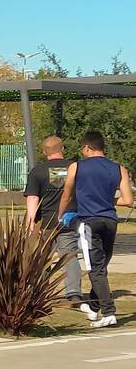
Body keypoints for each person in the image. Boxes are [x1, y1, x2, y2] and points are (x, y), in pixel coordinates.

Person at [58, 131, 133, 328]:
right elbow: (128, 200)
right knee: (101, 265)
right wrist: (105, 199)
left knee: (94, 267)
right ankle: (93, 306)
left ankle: (109, 312)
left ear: (87, 148)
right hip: (110, 221)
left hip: (88, 222)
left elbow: (67, 194)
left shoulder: (77, 166)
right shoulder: (119, 168)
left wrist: (60, 214)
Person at [23, 136, 82, 305]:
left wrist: (31, 221)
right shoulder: (75, 168)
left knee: (42, 257)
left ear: (44, 152)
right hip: (68, 220)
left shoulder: (37, 171)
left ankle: (39, 292)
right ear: (62, 149)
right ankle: (74, 293)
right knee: (69, 256)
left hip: (44, 222)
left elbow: (33, 198)